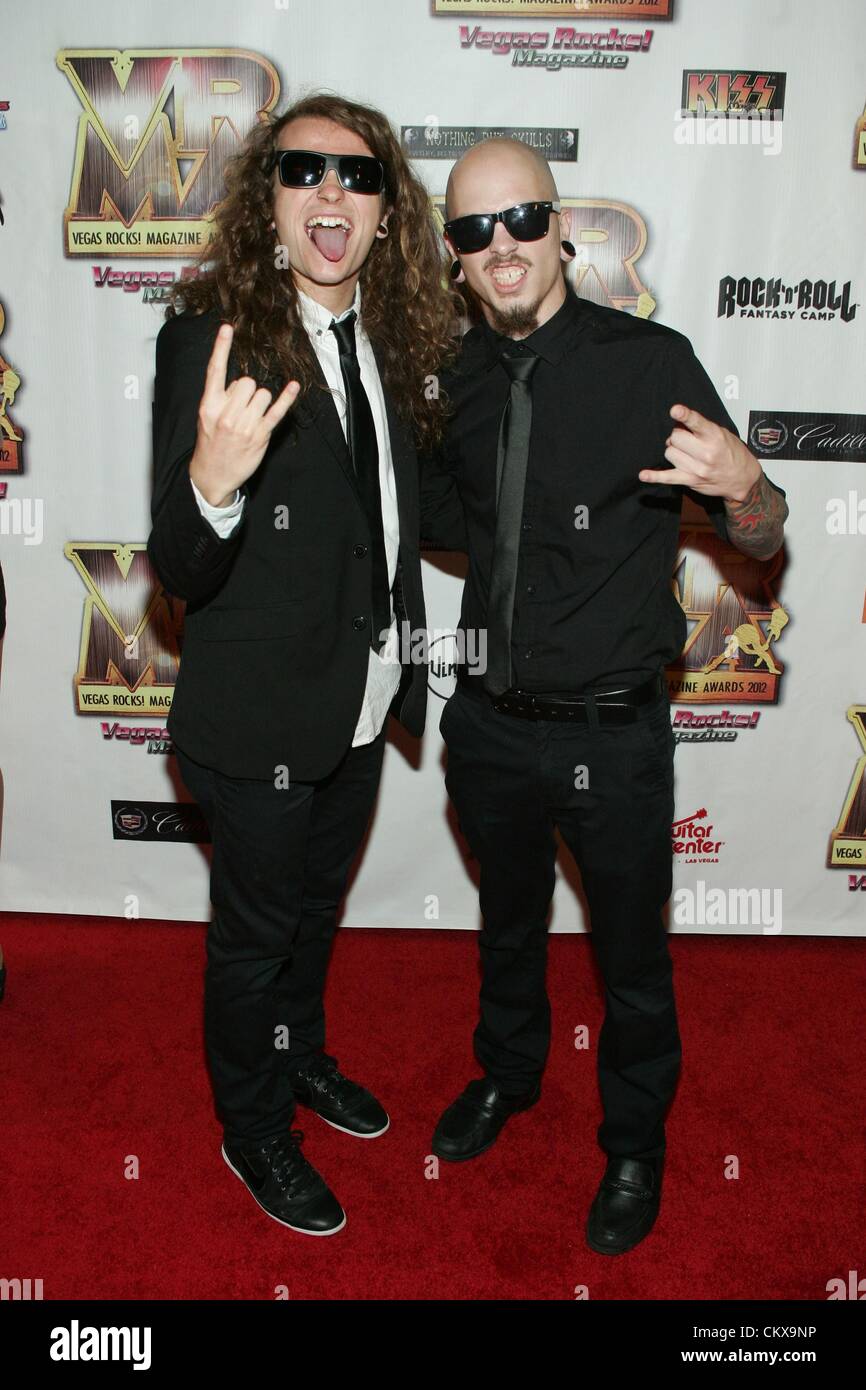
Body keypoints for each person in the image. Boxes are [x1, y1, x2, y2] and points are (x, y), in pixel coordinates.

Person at [419, 137, 788, 1255]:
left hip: (614, 736)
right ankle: (509, 1073)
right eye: (475, 231)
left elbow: (757, 533)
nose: (503, 247)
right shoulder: (454, 379)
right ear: (456, 255)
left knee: (630, 958)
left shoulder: (649, 359)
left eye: (521, 219)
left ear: (556, 228)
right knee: (507, 928)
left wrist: (752, 490)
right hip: (487, 724)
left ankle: (633, 1140)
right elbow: (444, 524)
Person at [147, 93, 456, 1236]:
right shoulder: (211, 335)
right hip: (260, 715)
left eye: (359, 176)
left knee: (313, 914)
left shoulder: (400, 339)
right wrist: (210, 487)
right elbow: (174, 560)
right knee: (254, 934)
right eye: (304, 171)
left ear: (385, 212)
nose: (332, 193)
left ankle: (299, 1056)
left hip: (363, 695)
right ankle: (252, 1128)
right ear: (267, 201)